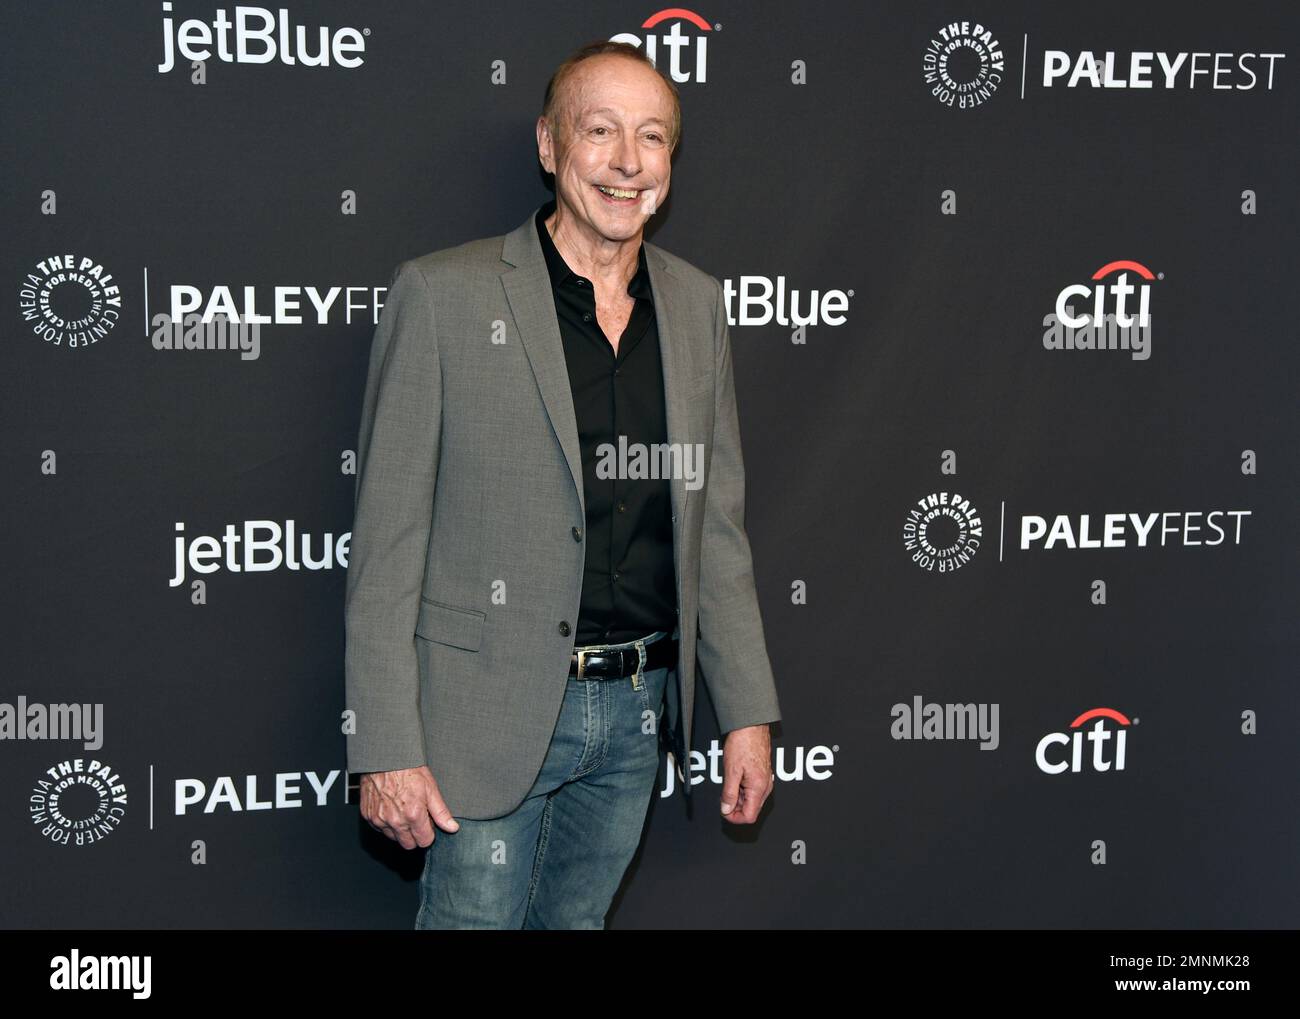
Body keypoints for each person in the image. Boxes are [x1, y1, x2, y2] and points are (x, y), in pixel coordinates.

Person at [343, 39, 781, 929]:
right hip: (481, 714)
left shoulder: (696, 306)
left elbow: (716, 531)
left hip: (635, 715)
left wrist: (746, 712)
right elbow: (387, 544)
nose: (628, 162)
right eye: (601, 130)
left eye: (652, 137)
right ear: (550, 145)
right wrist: (383, 743)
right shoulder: (444, 295)